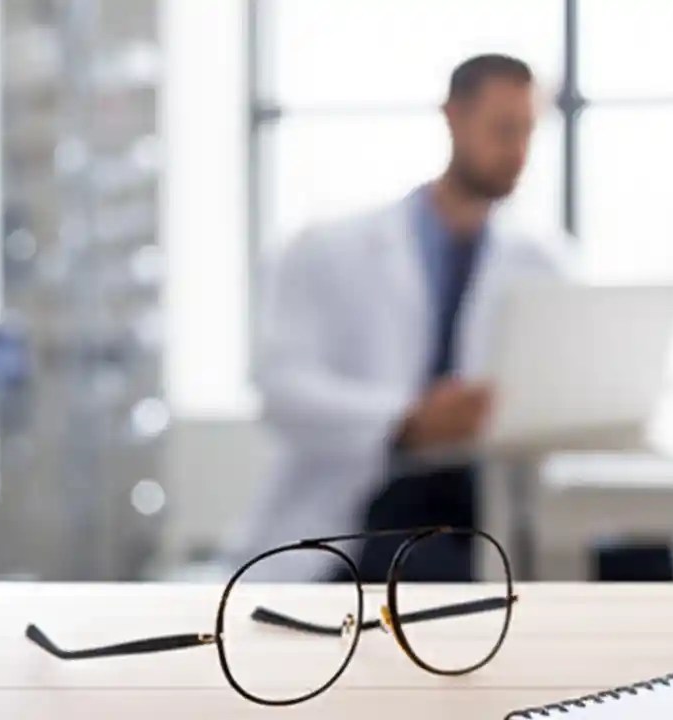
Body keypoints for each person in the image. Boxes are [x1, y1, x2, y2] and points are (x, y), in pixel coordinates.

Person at [230, 55, 569, 582]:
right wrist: (407, 420)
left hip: (487, 499)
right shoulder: (329, 248)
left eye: (527, 131)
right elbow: (280, 390)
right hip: (367, 508)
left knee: (638, 557)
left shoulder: (543, 262)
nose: (517, 151)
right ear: (453, 116)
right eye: (503, 129)